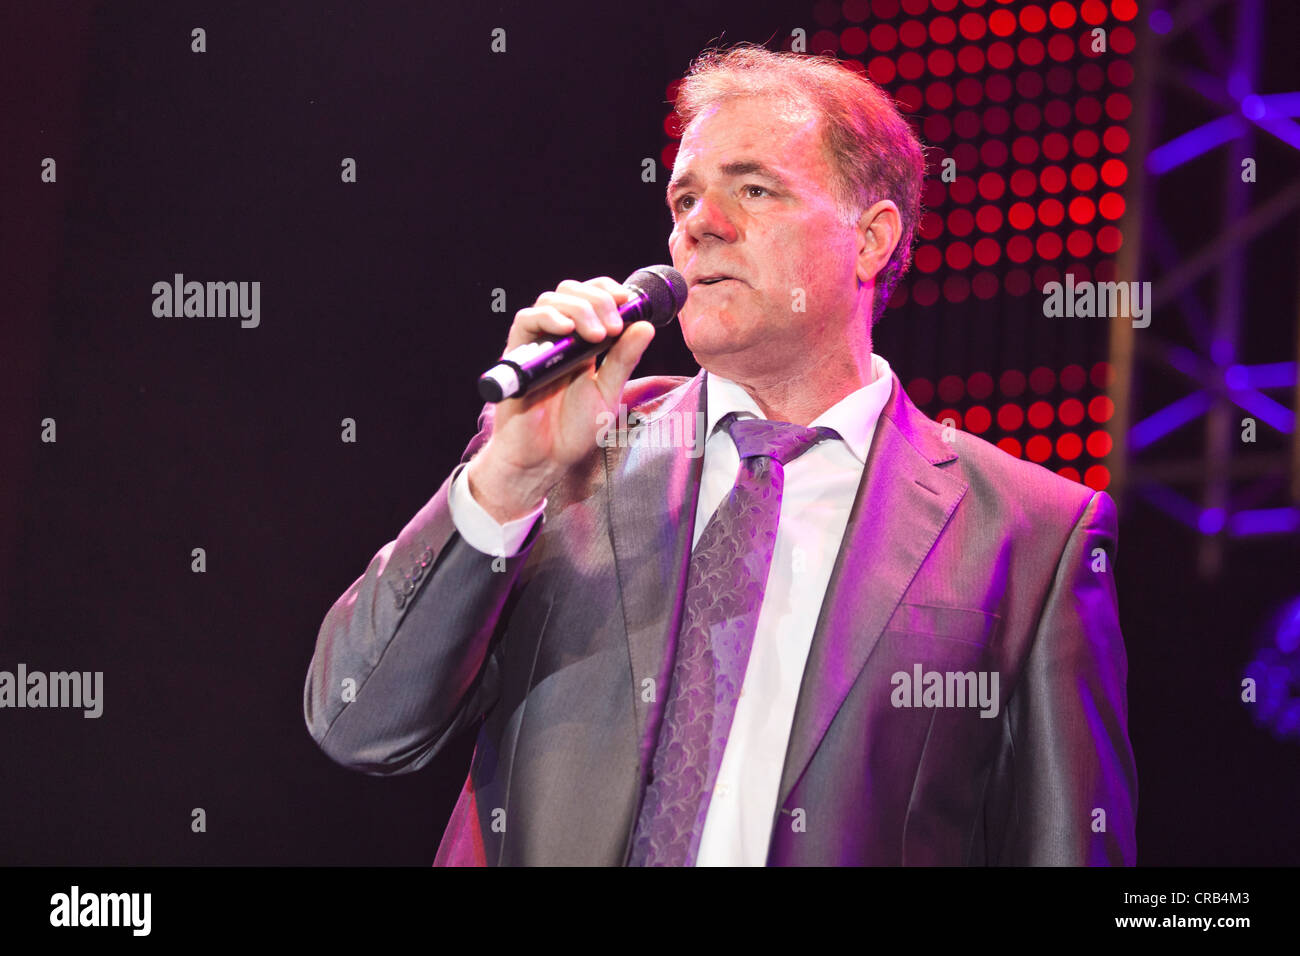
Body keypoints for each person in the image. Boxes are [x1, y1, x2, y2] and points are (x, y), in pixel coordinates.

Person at [303, 44, 1138, 865]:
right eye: (685, 199)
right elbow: (361, 723)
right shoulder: (567, 445)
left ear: (872, 238)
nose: (701, 224)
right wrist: (507, 475)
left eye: (754, 188)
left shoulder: (1030, 534)